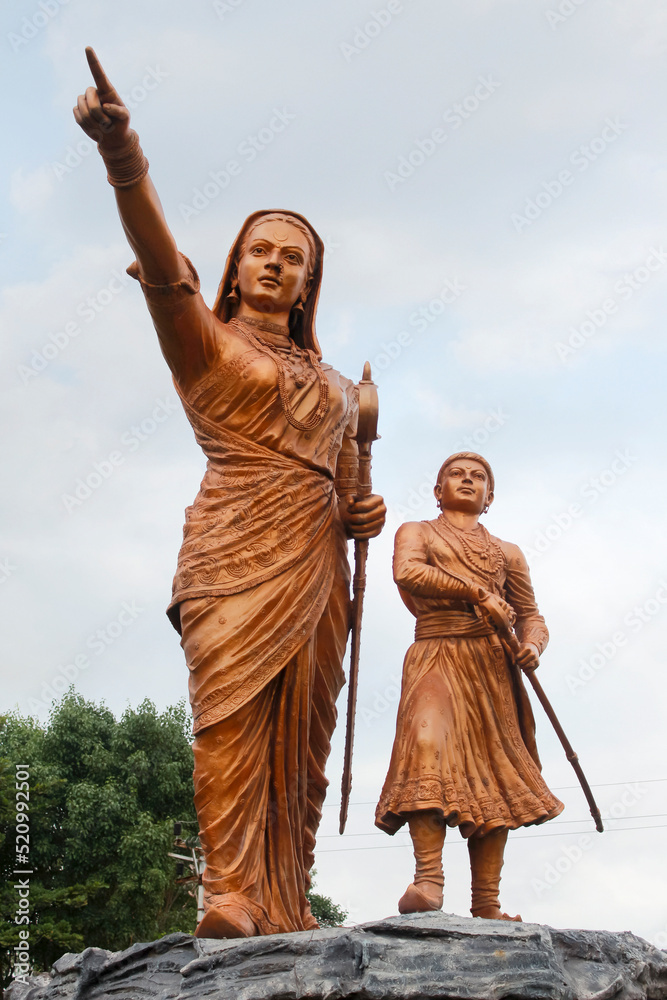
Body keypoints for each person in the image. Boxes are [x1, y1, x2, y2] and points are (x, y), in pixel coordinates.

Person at [74, 48, 386, 939]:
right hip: (232, 547)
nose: (274, 265)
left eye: (293, 258)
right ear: (234, 264)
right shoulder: (206, 342)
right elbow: (158, 261)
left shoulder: (335, 383)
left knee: (304, 737)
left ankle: (286, 897)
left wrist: (361, 510)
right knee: (230, 717)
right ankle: (230, 892)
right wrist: (122, 155)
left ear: (309, 281)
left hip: (316, 564)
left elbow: (351, 489)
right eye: (259, 251)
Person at [375, 453, 562, 920]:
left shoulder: (507, 552)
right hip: (436, 653)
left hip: (493, 667)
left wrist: (532, 645)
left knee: (495, 771)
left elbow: (531, 615)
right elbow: (408, 572)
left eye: (478, 477)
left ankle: (487, 902)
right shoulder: (417, 532)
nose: (467, 480)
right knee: (426, 745)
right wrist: (479, 594)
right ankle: (428, 880)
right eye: (456, 475)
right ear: (437, 491)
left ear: (489, 496)